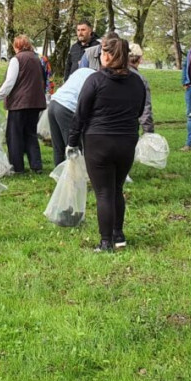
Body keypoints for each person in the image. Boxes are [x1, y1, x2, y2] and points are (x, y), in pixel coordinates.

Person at [69, 37, 146, 253]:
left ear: (109, 55)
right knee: (117, 189)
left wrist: (72, 142)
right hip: (126, 140)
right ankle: (118, 235)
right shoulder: (137, 81)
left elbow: (80, 113)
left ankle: (105, 242)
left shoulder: (95, 80)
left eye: (103, 52)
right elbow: (140, 110)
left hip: (98, 141)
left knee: (103, 192)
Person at [0, 35, 47, 174]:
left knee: (14, 136)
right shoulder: (37, 59)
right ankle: (36, 165)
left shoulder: (16, 59)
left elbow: (9, 82)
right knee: (30, 134)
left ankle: (17, 167)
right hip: (35, 102)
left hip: (19, 103)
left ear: (16, 46)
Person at [47, 64, 96, 167]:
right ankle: (75, 174)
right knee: (73, 147)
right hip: (67, 108)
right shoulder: (96, 79)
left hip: (53, 103)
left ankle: (59, 172)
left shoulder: (81, 71)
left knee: (58, 145)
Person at [128, 42, 154, 135]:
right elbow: (145, 108)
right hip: (129, 128)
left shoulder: (110, 73)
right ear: (140, 59)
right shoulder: (140, 79)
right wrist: (148, 132)